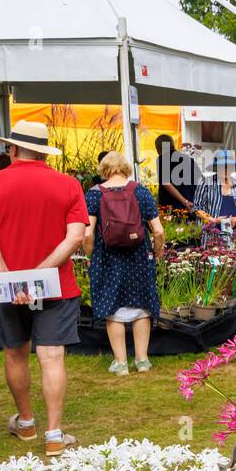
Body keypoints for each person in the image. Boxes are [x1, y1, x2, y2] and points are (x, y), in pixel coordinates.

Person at [0, 121, 87, 455]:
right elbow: (75, 237)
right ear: (44, 153)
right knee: (52, 355)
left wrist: (11, 281)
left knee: (16, 352)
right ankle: (54, 435)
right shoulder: (68, 185)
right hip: (57, 286)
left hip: (5, 287)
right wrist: (37, 275)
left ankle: (27, 423)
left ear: (12, 150)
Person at [82, 151, 164, 374]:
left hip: (107, 257)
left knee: (113, 306)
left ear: (104, 169)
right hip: (138, 256)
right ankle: (142, 360)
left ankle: (120, 363)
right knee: (141, 306)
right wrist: (156, 252)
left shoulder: (94, 194)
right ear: (125, 167)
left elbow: (87, 235)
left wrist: (91, 255)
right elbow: (158, 230)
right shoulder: (140, 191)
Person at [193, 150, 236, 229]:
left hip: (235, 233)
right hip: (212, 233)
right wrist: (213, 220)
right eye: (222, 166)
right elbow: (197, 208)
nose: (225, 169)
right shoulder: (206, 183)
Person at [154, 135, 203, 215]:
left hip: (172, 209)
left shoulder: (162, 159)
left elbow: (166, 184)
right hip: (192, 207)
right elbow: (200, 181)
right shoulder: (189, 159)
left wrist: (185, 202)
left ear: (159, 148)